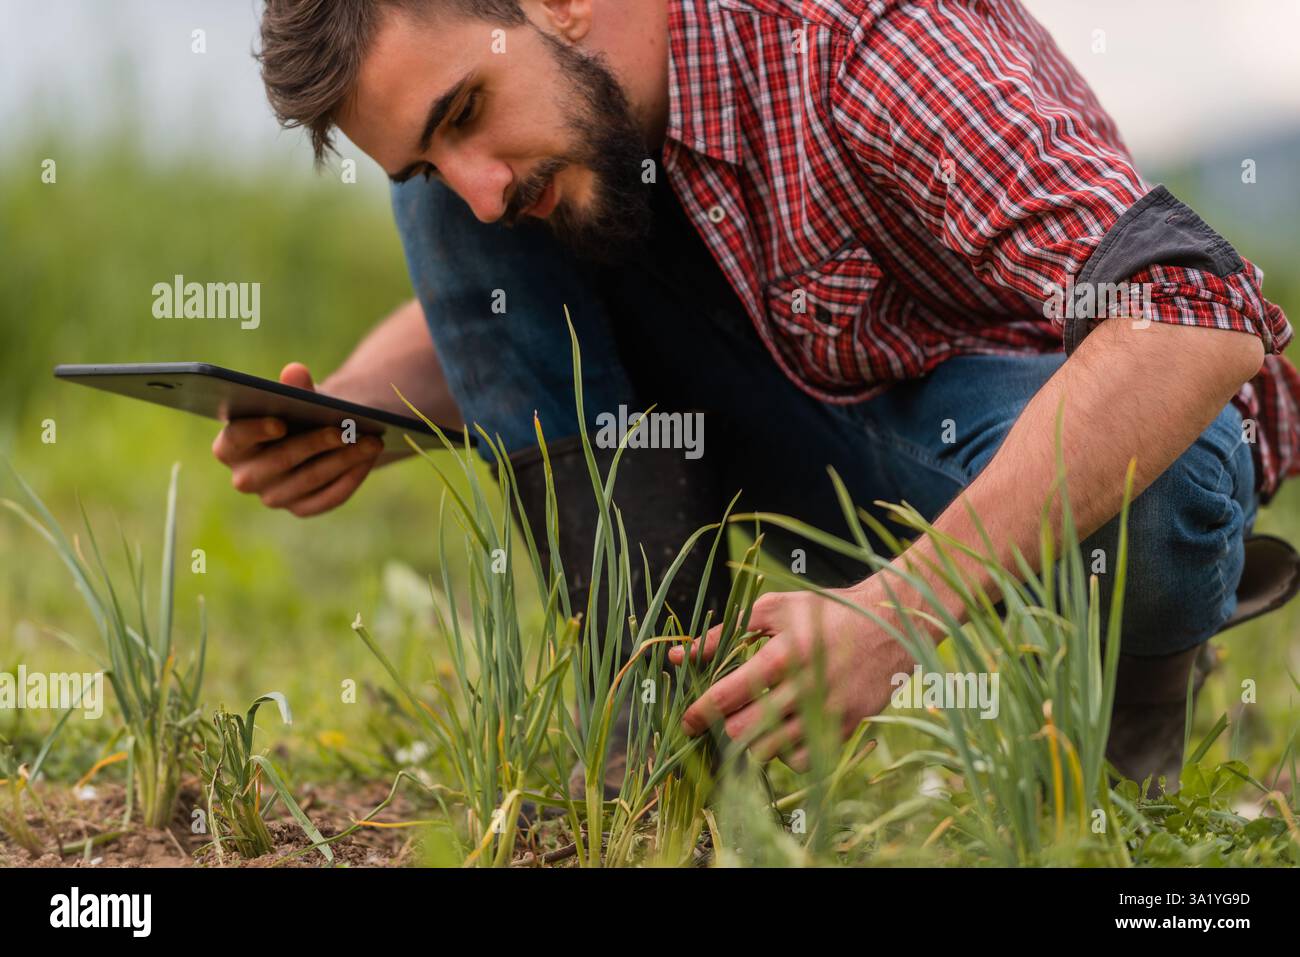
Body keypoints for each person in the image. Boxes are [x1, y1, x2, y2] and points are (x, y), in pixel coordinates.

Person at [215, 0, 1300, 789]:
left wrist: (897, 616)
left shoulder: (855, 35)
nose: (481, 186)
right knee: (472, 202)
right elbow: (533, 317)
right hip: (798, 412)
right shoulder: (568, 132)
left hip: (1039, 446)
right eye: (426, 154)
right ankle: (666, 740)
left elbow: (1190, 320)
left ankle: (1134, 716)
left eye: (464, 109)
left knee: (1162, 479)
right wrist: (361, 407)